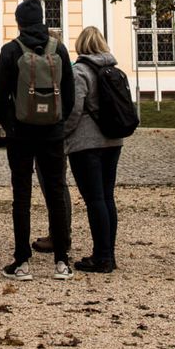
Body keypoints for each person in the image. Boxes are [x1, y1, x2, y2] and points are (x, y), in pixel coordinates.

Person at [0, 0, 76, 280]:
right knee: (55, 194)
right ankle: (62, 261)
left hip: (21, 135)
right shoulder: (59, 49)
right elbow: (70, 93)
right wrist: (59, 123)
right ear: (42, 20)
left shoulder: (11, 50)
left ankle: (22, 262)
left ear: (19, 22)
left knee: (21, 196)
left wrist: (11, 127)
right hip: (52, 132)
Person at [64, 26, 127, 273]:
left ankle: (101, 257)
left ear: (81, 46)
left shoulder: (80, 71)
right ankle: (109, 253)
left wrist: (63, 134)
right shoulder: (116, 70)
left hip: (86, 144)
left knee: (95, 199)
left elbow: (75, 109)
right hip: (113, 140)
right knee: (107, 196)